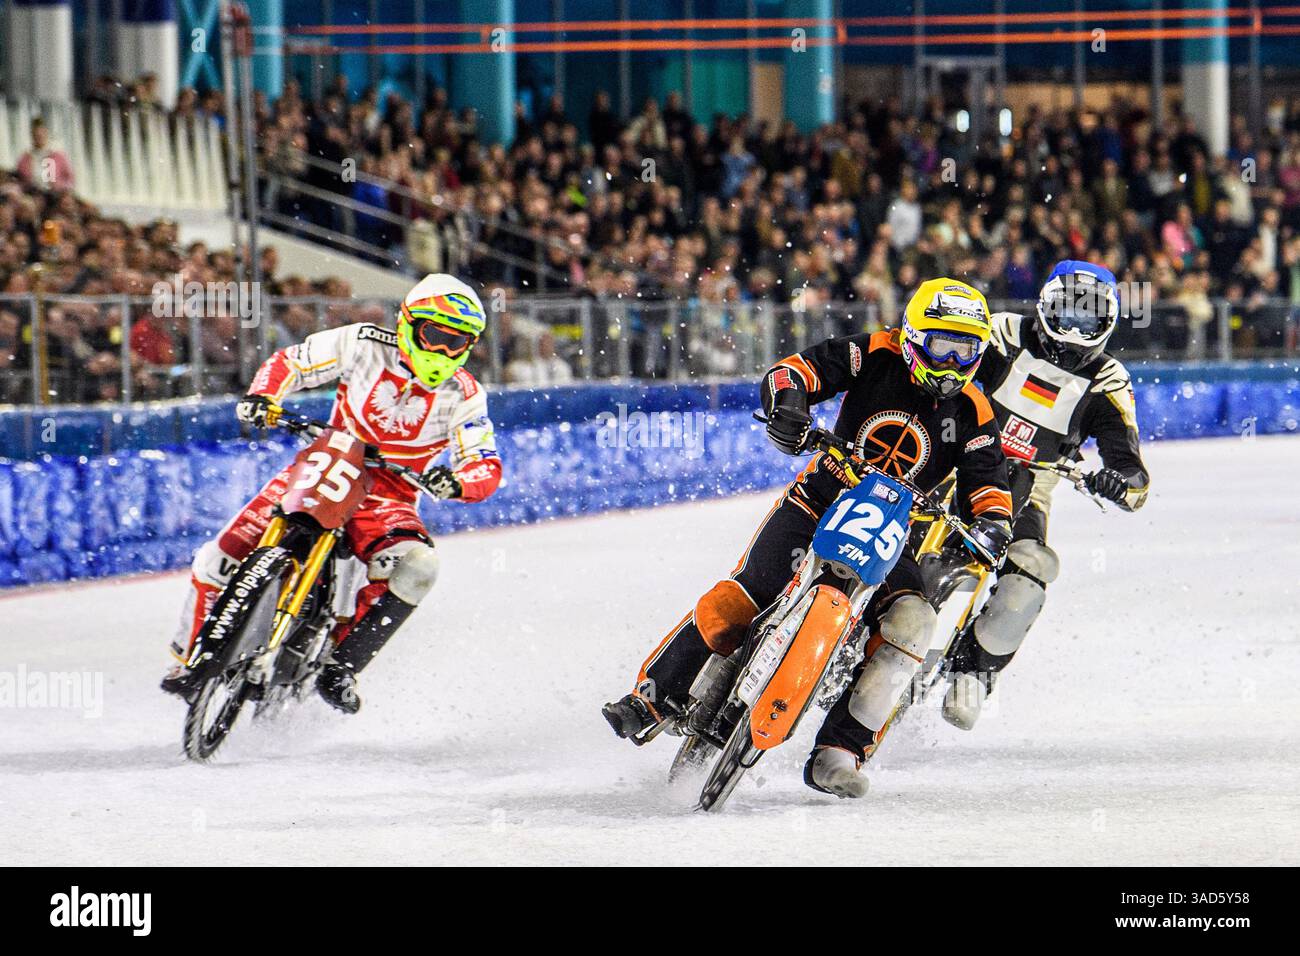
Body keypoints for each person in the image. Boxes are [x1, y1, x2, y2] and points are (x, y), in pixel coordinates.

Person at [602, 278, 1014, 798]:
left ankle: (840, 751)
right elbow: (796, 371)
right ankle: (653, 697)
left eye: (967, 350)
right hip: (818, 500)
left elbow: (990, 483)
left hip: (893, 534)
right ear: (913, 336)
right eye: (943, 347)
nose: (954, 363)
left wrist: (993, 524)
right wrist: (790, 409)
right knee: (744, 596)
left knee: (915, 623)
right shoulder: (872, 352)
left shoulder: (975, 411)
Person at [162, 274, 502, 713]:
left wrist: (458, 482)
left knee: (419, 566)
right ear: (408, 324)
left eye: (457, 343)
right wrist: (263, 397)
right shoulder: (362, 341)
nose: (442, 350)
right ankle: (190, 661)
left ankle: (342, 666)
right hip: (328, 461)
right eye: (435, 335)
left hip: (391, 496)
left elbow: (484, 462)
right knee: (217, 558)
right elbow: (293, 362)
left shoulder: (467, 394)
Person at [939, 261, 1150, 729]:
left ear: (1107, 324)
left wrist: (1116, 482)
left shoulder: (1109, 380)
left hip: (1031, 486)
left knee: (1029, 573)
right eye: (1067, 313)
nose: (1074, 330)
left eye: (1087, 319)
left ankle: (972, 674)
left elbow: (1135, 480)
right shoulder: (1000, 333)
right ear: (1044, 306)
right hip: (949, 462)